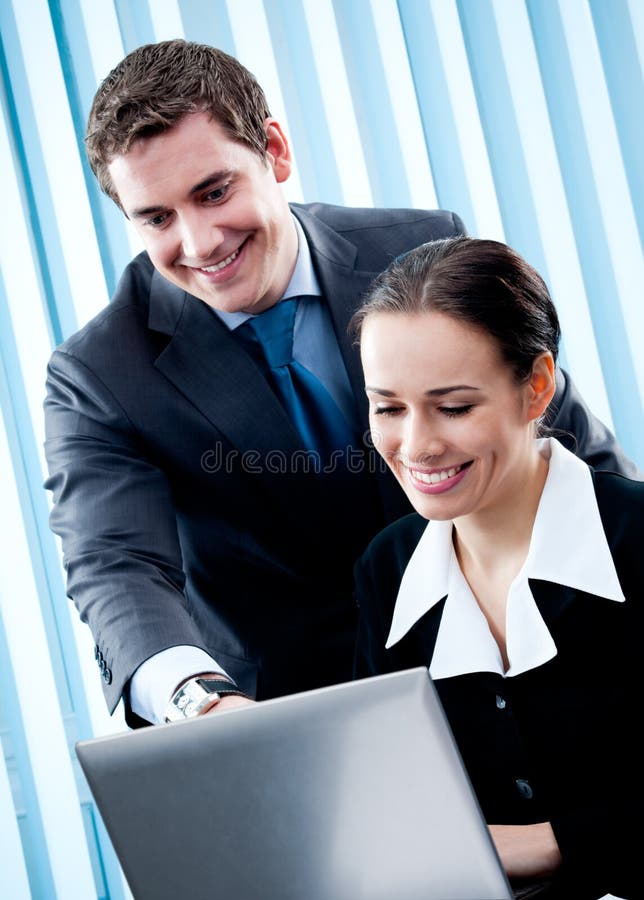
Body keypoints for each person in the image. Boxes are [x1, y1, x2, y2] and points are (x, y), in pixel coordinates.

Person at [44, 39, 636, 730]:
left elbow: (560, 451)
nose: (200, 242)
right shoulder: (101, 374)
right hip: (293, 719)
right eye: (157, 218)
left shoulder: (418, 250)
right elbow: (115, 567)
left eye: (214, 191)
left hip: (514, 674)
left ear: (275, 150)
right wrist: (201, 703)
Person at [352, 237, 641, 898]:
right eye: (388, 408)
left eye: (454, 407)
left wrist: (543, 844)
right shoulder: (387, 570)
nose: (416, 445)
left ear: (536, 387)